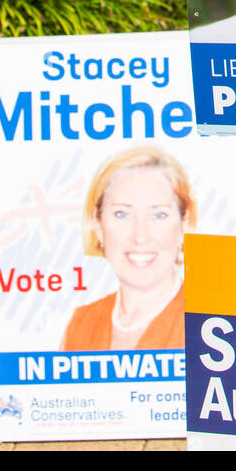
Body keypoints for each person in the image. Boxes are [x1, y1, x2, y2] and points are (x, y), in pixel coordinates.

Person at [61, 147, 196, 351]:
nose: (140, 237)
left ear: (183, 225)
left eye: (158, 215)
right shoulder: (81, 325)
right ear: (98, 225)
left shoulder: (208, 322)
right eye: (122, 214)